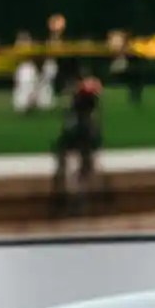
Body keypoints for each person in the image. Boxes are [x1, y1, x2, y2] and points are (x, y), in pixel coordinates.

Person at [52, 69, 104, 211]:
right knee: (81, 170)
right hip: (80, 140)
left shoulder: (75, 113)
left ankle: (71, 198)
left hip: (76, 140)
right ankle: (77, 198)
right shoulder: (85, 117)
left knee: (73, 170)